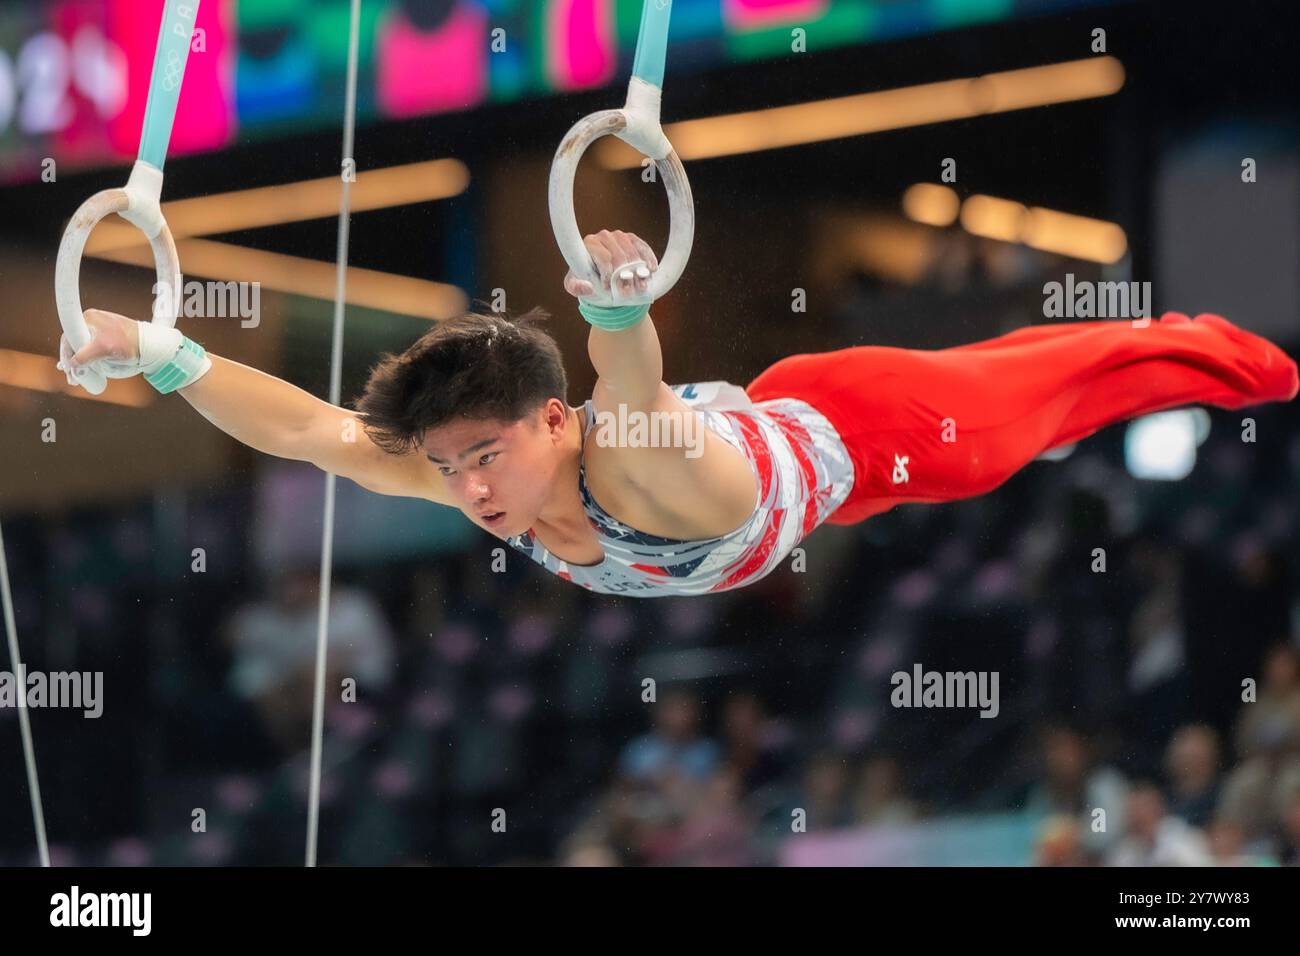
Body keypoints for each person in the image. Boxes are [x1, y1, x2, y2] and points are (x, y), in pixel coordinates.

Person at [58, 230, 1299, 597]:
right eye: (453, 465)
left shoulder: (631, 462)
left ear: (553, 424)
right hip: (797, 449)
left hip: (884, 427)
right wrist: (156, 349)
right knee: (1062, 384)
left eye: (485, 453)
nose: (472, 490)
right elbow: (308, 431)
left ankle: (1227, 343)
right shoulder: (474, 473)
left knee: (1095, 372)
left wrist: (618, 298)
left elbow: (633, 388)